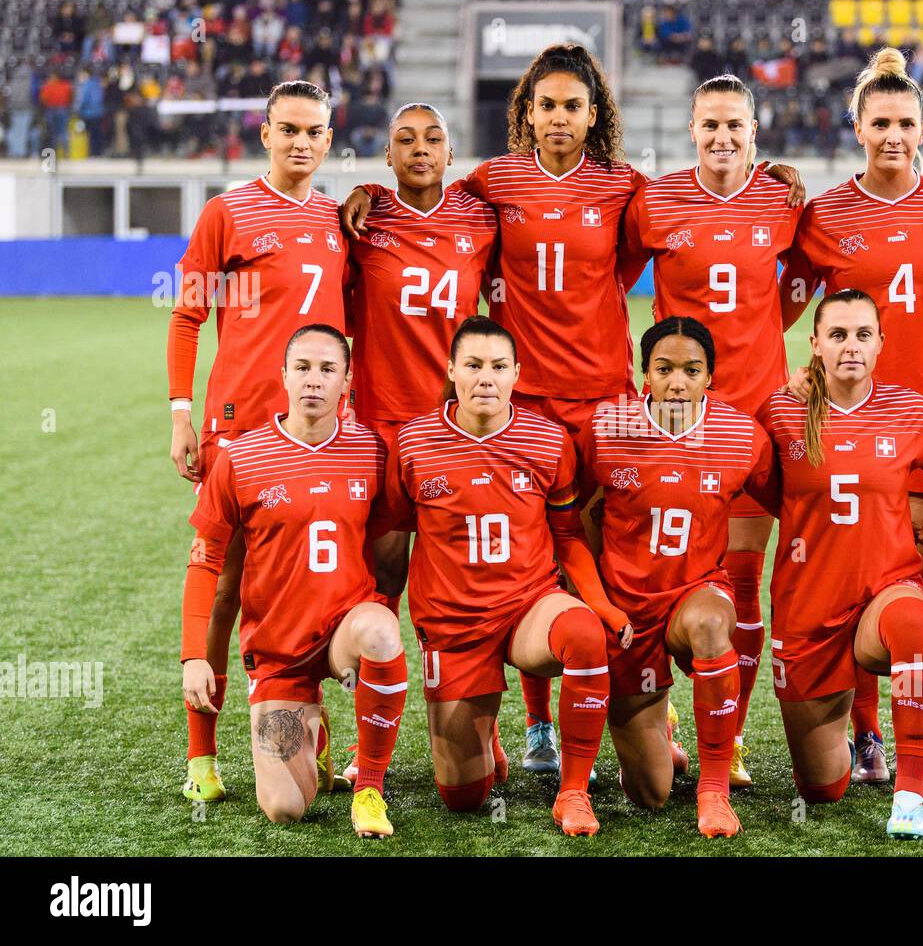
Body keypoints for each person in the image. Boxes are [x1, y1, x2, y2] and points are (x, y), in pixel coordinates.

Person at [342, 43, 804, 775]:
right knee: (528, 562)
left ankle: (645, 709)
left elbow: (629, 266)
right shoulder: (493, 182)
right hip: (522, 402)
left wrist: (770, 170)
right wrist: (370, 185)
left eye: (573, 106)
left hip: (607, 399)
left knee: (610, 557)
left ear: (595, 115)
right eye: (546, 105)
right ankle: (533, 726)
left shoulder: (626, 189)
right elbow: (423, 184)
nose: (559, 117)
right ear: (527, 112)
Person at [779, 47, 923, 785]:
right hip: (843, 428)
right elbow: (789, 305)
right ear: (857, 126)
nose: (892, 134)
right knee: (852, 580)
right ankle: (866, 734)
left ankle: (912, 725)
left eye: (905, 122)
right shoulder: (825, 213)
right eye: (879, 122)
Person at [618, 74, 803, 788]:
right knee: (662, 573)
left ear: (754, 132)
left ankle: (733, 737)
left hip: (753, 417)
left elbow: (803, 278)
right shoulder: (654, 201)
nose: (722, 137)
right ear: (690, 129)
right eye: (709, 125)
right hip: (672, 418)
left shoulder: (782, 201)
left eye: (735, 125)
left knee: (742, 583)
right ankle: (661, 728)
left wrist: (769, 342)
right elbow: (612, 273)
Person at [168, 80, 349, 804]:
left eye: (314, 132)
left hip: (324, 434)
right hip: (241, 428)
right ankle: (200, 756)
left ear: (329, 140)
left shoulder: (341, 219)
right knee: (225, 587)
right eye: (289, 130)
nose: (301, 142)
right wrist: (181, 414)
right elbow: (186, 317)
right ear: (265, 134)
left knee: (322, 585)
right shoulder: (228, 212)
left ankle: (313, 735)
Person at [383, 316, 631, 836]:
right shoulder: (412, 444)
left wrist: (601, 605)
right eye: (472, 366)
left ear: (517, 373)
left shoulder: (547, 439)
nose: (485, 379)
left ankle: (573, 792)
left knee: (585, 634)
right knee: (463, 797)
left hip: (527, 606)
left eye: (498, 366)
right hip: (453, 623)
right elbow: (391, 538)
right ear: (451, 370)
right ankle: (485, 727)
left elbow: (567, 538)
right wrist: (381, 613)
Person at [181, 325, 406, 838]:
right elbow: (205, 563)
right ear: (282, 376)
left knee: (380, 630)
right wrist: (195, 654)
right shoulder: (242, 458)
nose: (314, 380)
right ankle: (312, 727)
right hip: (278, 652)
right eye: (302, 368)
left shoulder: (372, 451)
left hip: (342, 631)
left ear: (347, 381)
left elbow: (389, 530)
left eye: (328, 369)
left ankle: (369, 787)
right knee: (286, 808)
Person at [755, 289, 923, 839]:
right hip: (807, 607)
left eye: (863, 334)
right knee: (821, 789)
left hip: (885, 591)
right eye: (837, 335)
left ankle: (909, 794)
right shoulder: (780, 414)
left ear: (881, 343)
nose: (851, 346)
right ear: (814, 345)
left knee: (914, 622)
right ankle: (849, 734)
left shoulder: (912, 411)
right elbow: (771, 492)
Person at [577, 317, 776, 836]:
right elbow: (568, 513)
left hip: (696, 593)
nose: (678, 382)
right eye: (664, 369)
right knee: (650, 794)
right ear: (645, 373)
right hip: (627, 611)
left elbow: (792, 497)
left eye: (693, 370)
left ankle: (714, 791)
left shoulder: (738, 434)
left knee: (712, 627)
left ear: (710, 375)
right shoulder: (606, 428)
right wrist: (597, 598)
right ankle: (658, 732)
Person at [346, 102, 497, 611]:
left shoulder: (481, 219)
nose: (420, 150)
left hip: (455, 421)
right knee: (385, 569)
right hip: (380, 421)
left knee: (454, 571)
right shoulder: (364, 222)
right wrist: (366, 192)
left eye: (432, 139)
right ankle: (376, 680)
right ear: (387, 155)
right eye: (406, 140)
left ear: (450, 153)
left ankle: (450, 679)